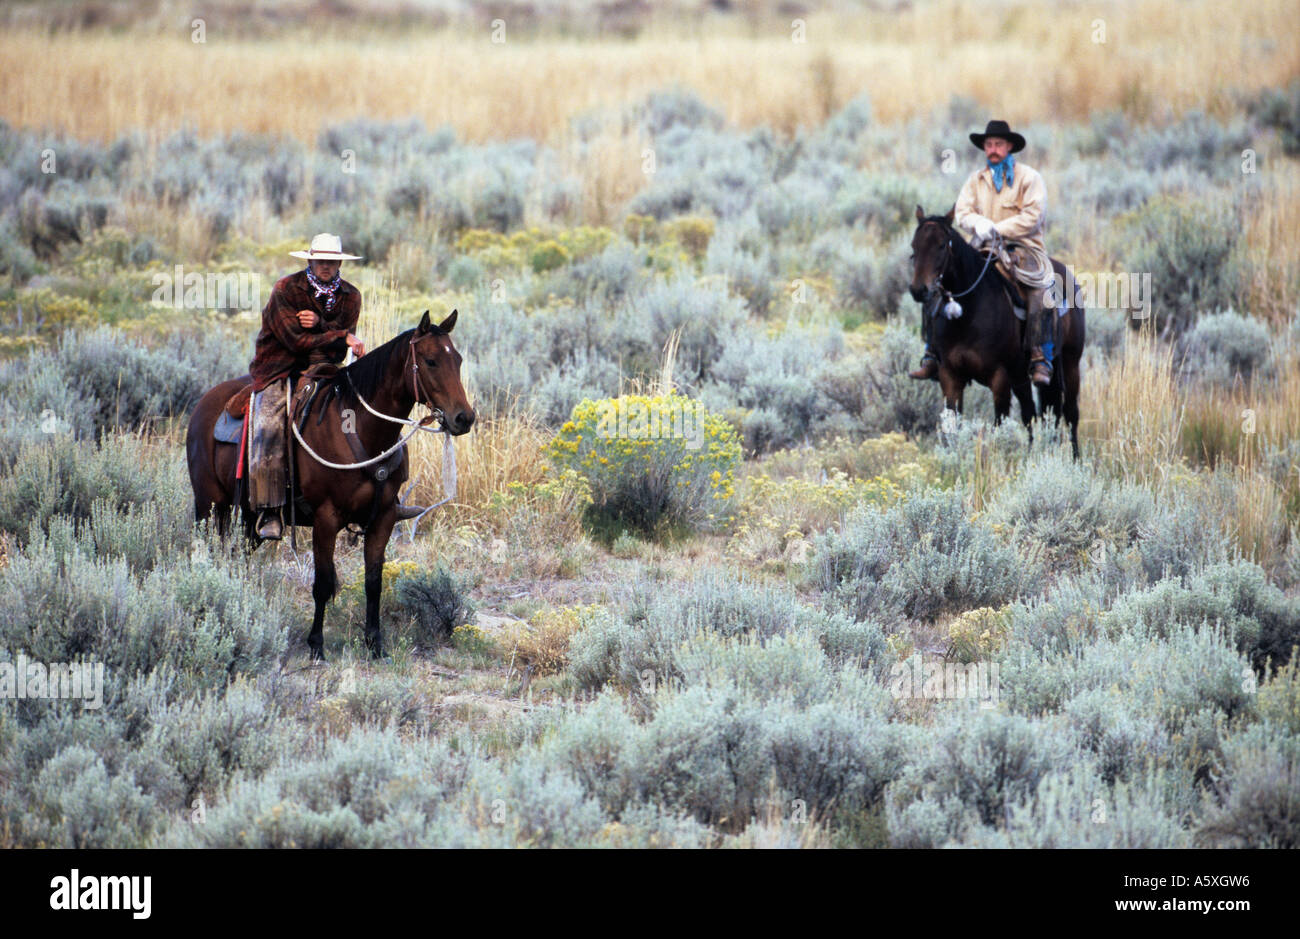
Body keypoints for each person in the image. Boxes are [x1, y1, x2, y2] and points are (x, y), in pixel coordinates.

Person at [246, 233, 421, 540]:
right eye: (320, 260)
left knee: (374, 416)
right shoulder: (285, 290)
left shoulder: (351, 296)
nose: (325, 265)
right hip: (278, 368)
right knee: (269, 425)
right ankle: (269, 508)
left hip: (326, 368)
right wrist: (339, 335)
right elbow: (294, 341)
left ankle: (385, 498)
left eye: (331, 261)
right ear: (309, 260)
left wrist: (325, 328)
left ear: (340, 262)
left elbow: (341, 352)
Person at [910, 119, 1058, 388]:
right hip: (981, 246)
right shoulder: (975, 180)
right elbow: (963, 211)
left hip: (1022, 248)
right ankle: (932, 354)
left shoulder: (1030, 178)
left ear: (1010, 146)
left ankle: (1040, 356)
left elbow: (1033, 217)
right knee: (941, 282)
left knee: (1041, 290)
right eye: (989, 144)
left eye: (998, 144)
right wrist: (977, 224)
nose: (993, 149)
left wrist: (998, 228)